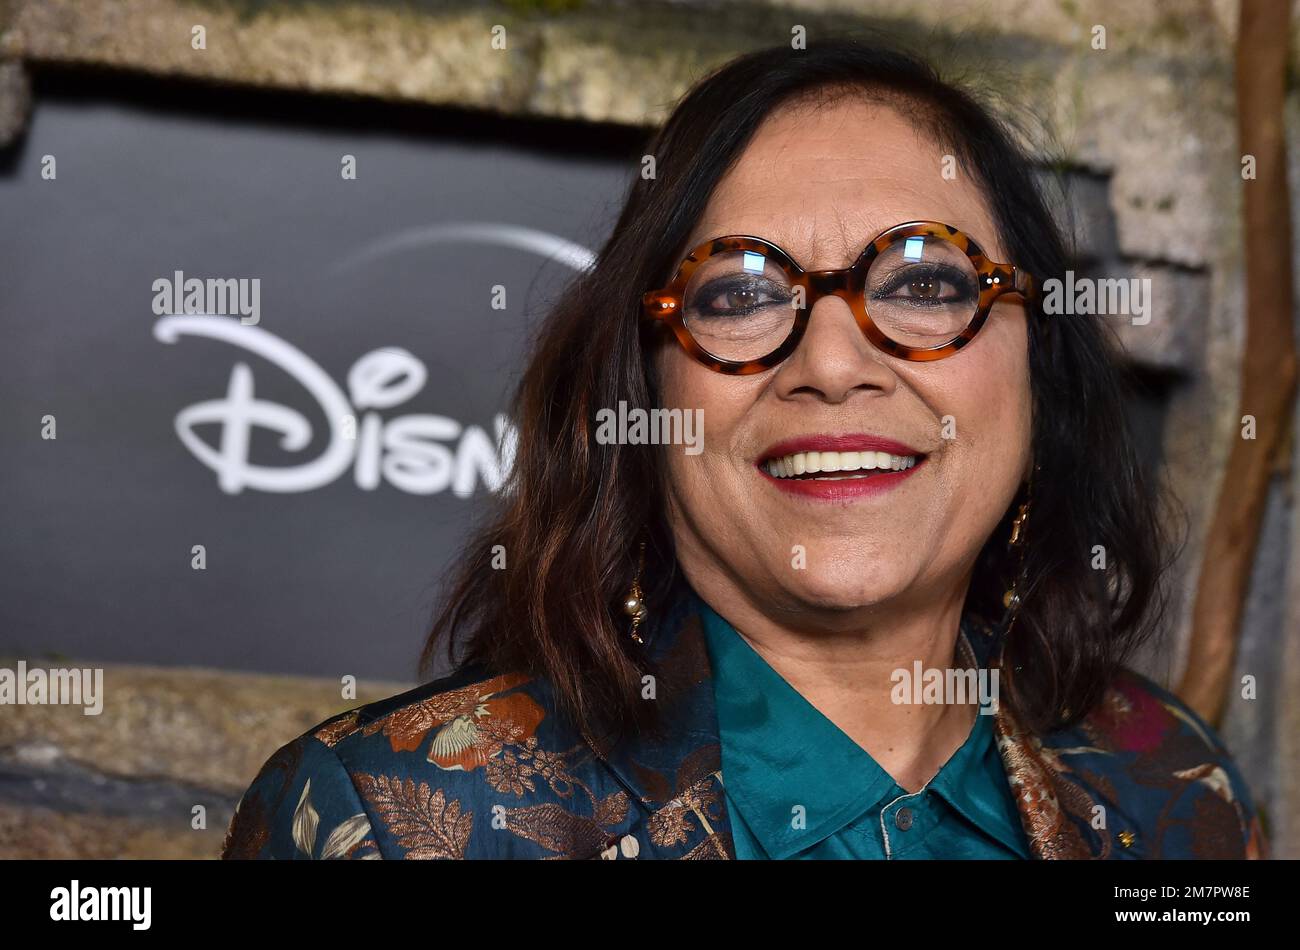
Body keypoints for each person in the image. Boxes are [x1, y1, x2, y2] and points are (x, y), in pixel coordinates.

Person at [222, 38, 1266, 860]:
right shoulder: (397, 819)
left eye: (923, 283)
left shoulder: (1170, 788)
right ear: (643, 387)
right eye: (741, 295)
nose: (833, 361)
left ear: (1038, 370)